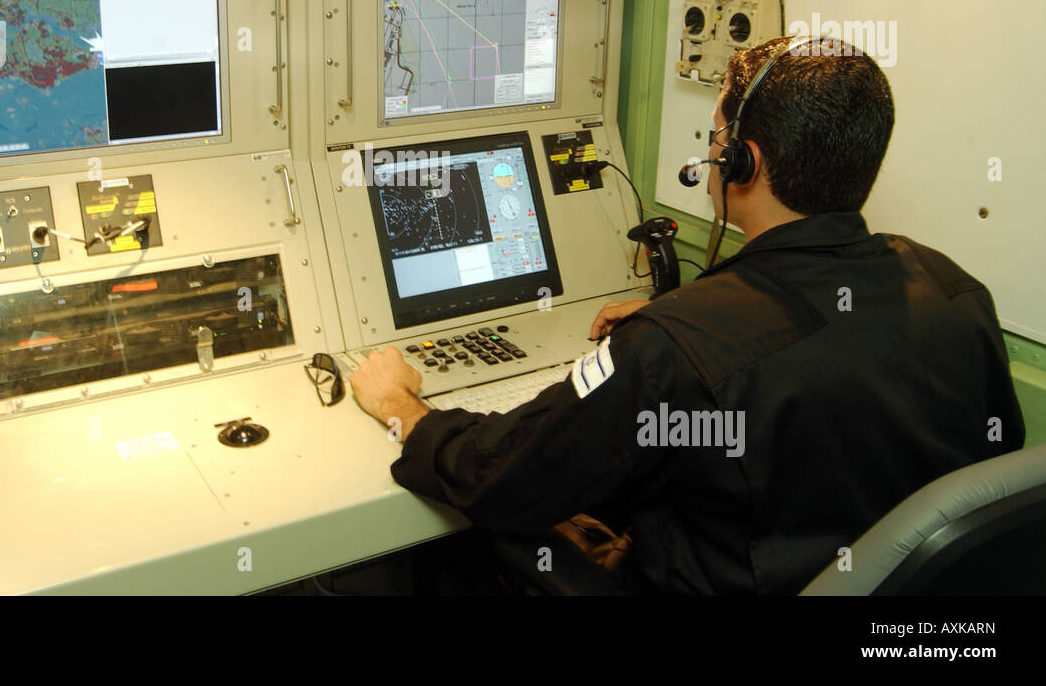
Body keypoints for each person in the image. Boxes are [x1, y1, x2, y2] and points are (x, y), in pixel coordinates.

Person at [349, 35, 1025, 594]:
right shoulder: (957, 294)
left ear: (740, 162)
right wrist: (678, 320)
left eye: (716, 136)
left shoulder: (674, 349)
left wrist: (406, 411)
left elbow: (504, 477)